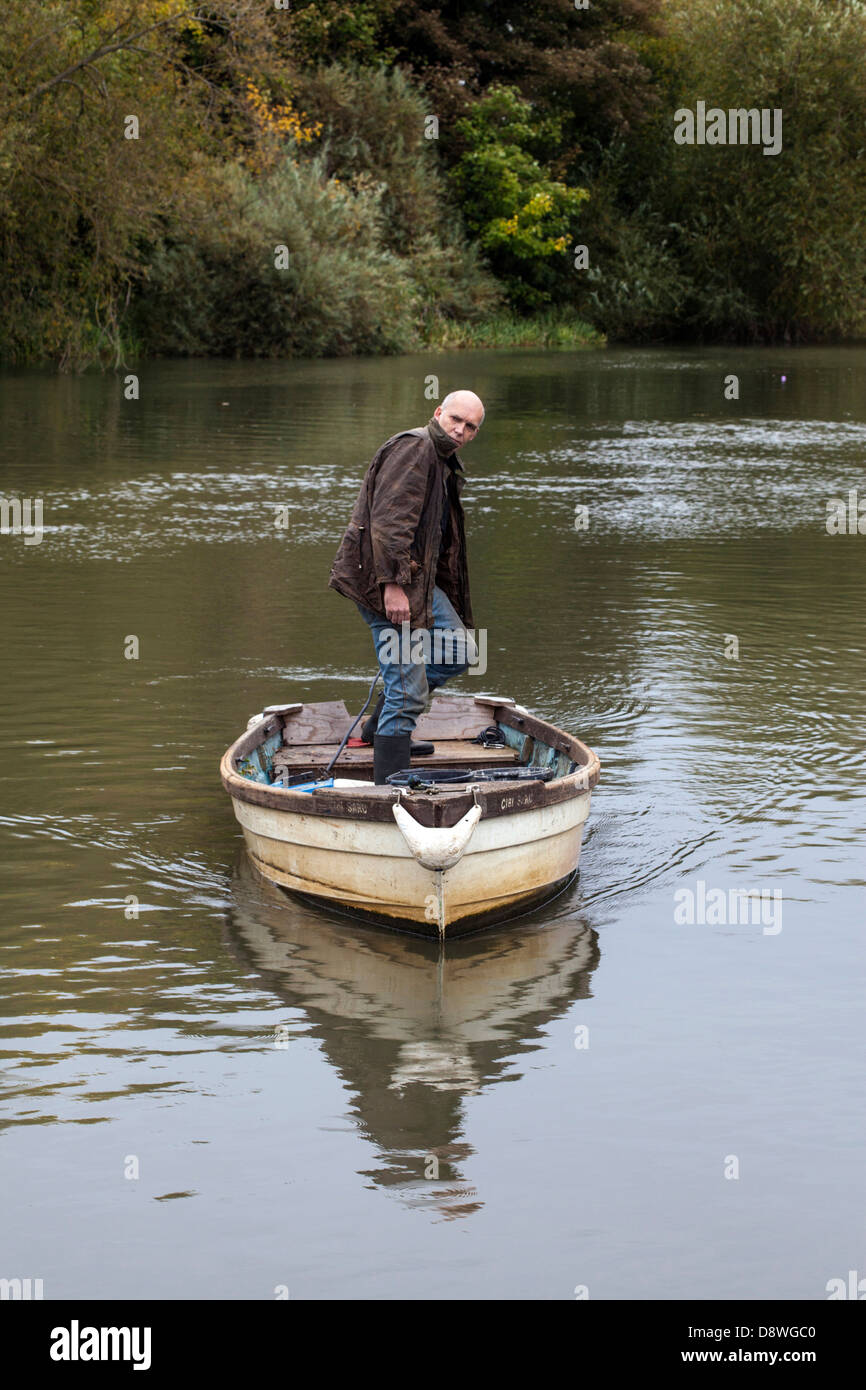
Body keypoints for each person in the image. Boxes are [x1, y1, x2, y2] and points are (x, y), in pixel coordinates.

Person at [328, 390, 486, 783]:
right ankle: (391, 787)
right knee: (407, 688)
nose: (460, 430)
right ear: (438, 413)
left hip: (417, 582)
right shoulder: (415, 448)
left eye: (470, 426)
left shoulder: (443, 461)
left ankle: (384, 723)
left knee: (460, 650)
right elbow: (388, 523)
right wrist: (393, 587)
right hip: (386, 582)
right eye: (455, 419)